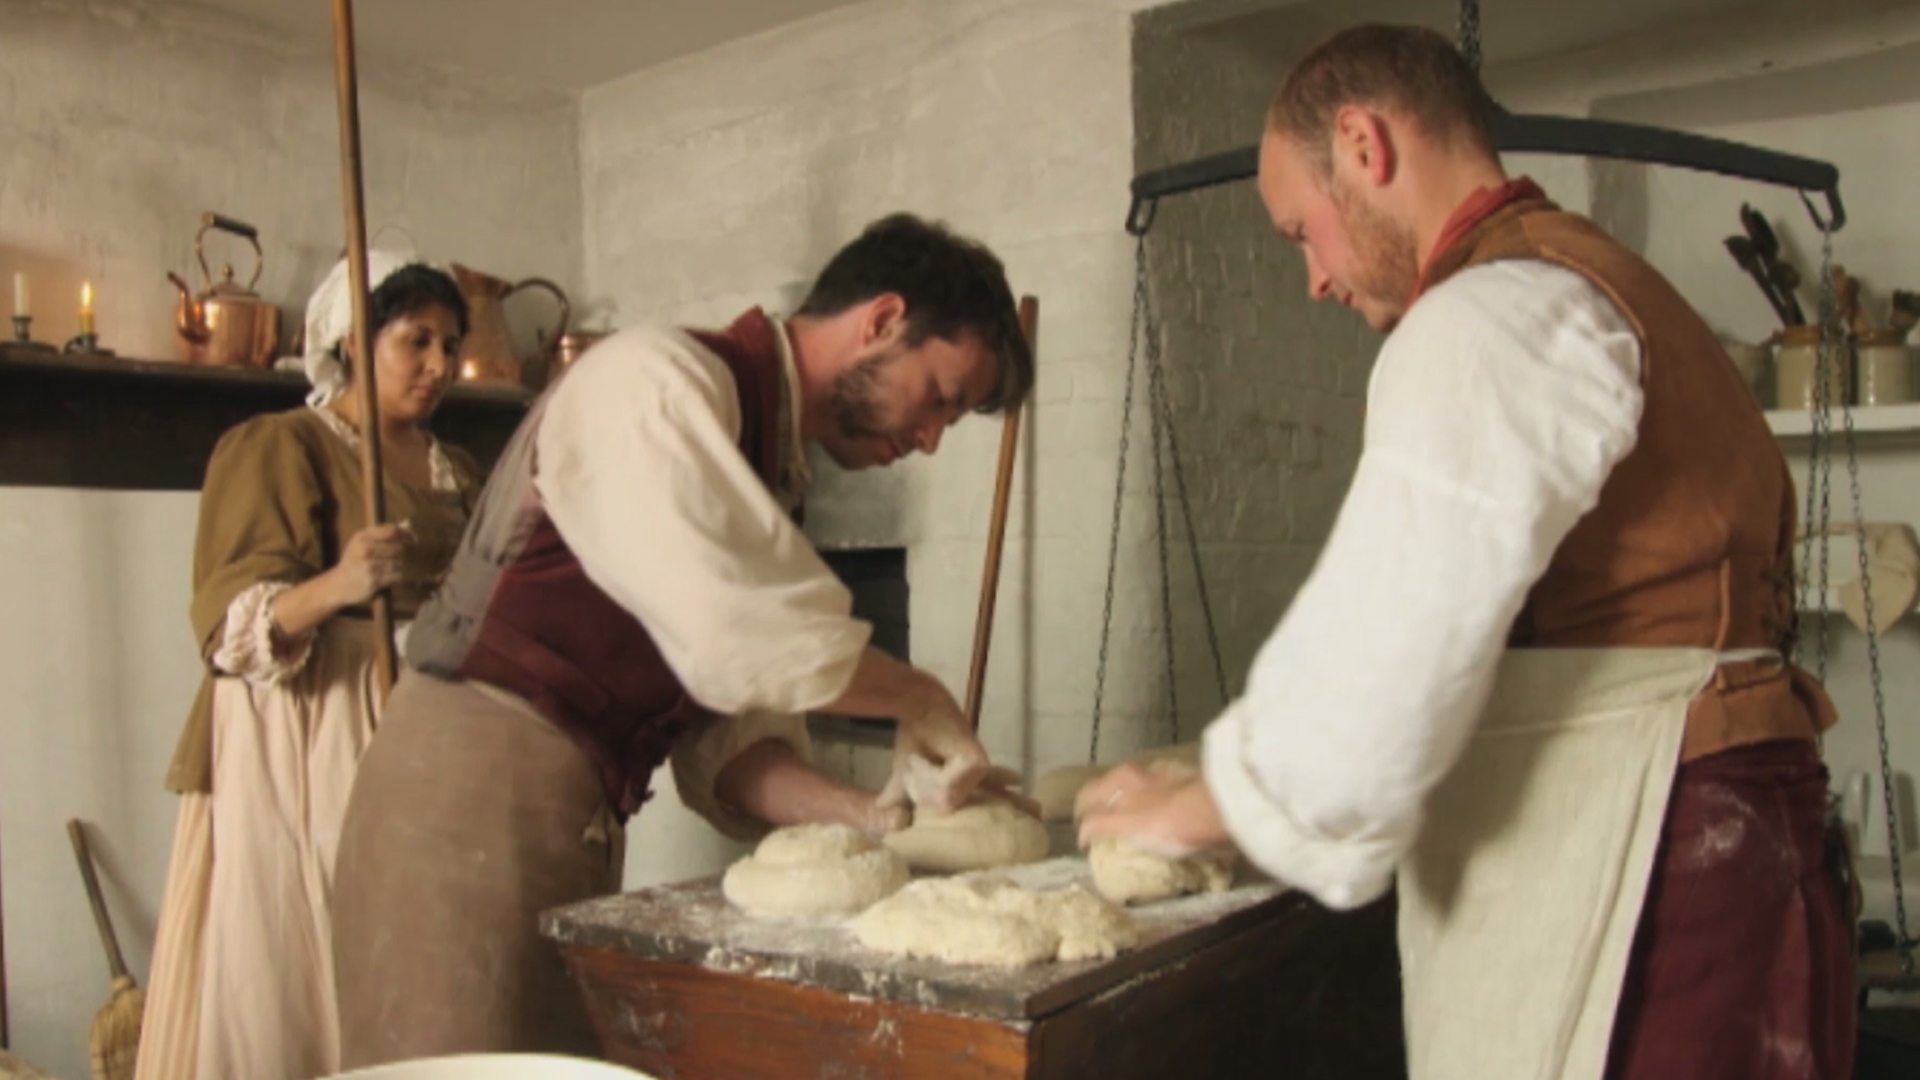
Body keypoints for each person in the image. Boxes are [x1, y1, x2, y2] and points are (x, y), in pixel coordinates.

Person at [1078, 24, 1854, 1080]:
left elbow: (1394, 638)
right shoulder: (1595, 285)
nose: (1312, 276)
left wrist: (1209, 802)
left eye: (1299, 230)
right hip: (1721, 827)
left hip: (1663, 854)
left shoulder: (1491, 315)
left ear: (1363, 144)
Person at [331, 213, 1034, 1065]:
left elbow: (726, 744)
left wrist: (886, 823)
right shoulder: (656, 381)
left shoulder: (759, 472)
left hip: (564, 826)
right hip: (457, 814)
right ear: (883, 320)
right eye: (940, 400)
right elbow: (736, 632)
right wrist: (915, 696)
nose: (927, 440)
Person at [136, 256, 484, 1080]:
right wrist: (340, 583)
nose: (439, 365)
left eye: (450, 344)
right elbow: (228, 629)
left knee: (422, 943)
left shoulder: (457, 471)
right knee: (320, 943)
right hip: (307, 736)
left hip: (426, 723)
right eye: (416, 341)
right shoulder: (279, 446)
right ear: (352, 341)